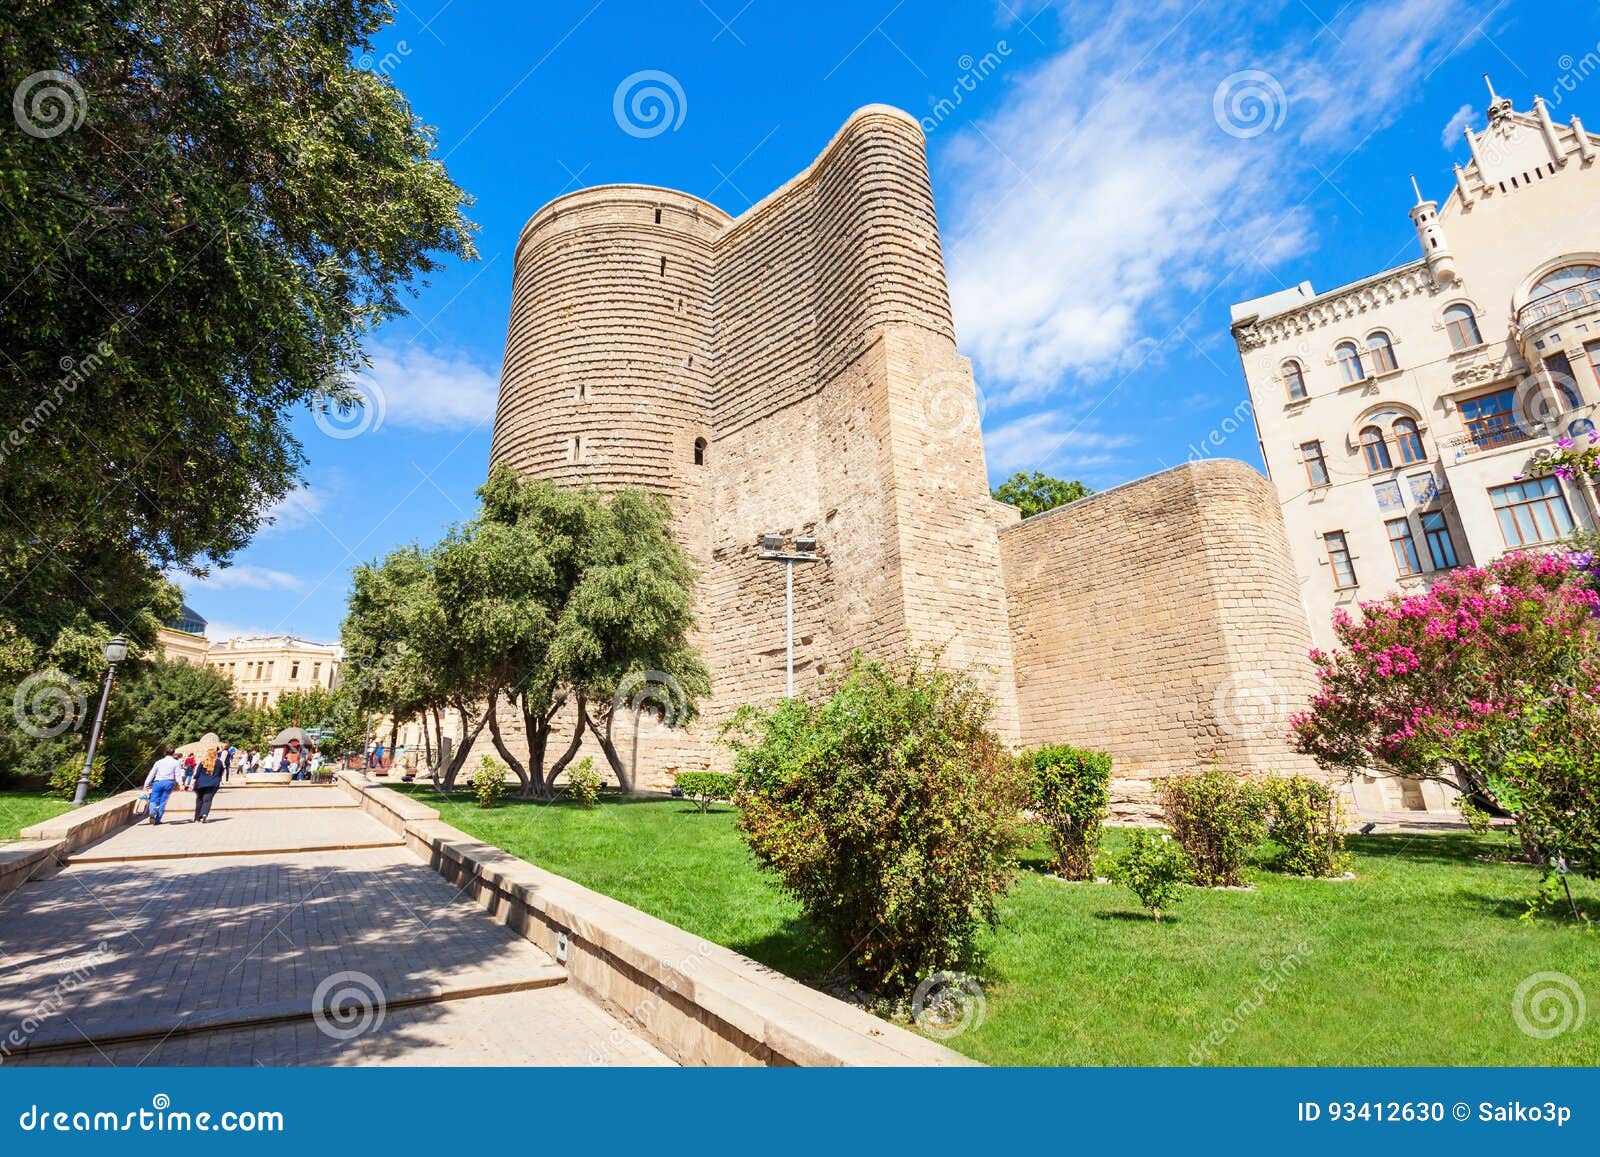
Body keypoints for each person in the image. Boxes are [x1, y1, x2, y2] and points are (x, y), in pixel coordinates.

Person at [142, 747, 182, 825]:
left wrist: (146, 784)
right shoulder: (176, 762)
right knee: (163, 801)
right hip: (169, 782)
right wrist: (181, 784)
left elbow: (152, 774)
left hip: (158, 782)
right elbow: (178, 775)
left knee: (154, 799)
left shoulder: (158, 762)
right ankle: (157, 820)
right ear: (173, 754)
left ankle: (152, 811)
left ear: (164, 753)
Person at [193, 746, 224, 823]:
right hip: (213, 784)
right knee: (207, 800)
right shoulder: (219, 762)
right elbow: (221, 772)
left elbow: (197, 774)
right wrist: (218, 780)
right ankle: (204, 813)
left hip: (200, 784)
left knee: (199, 800)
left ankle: (197, 818)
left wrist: (193, 783)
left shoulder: (202, 762)